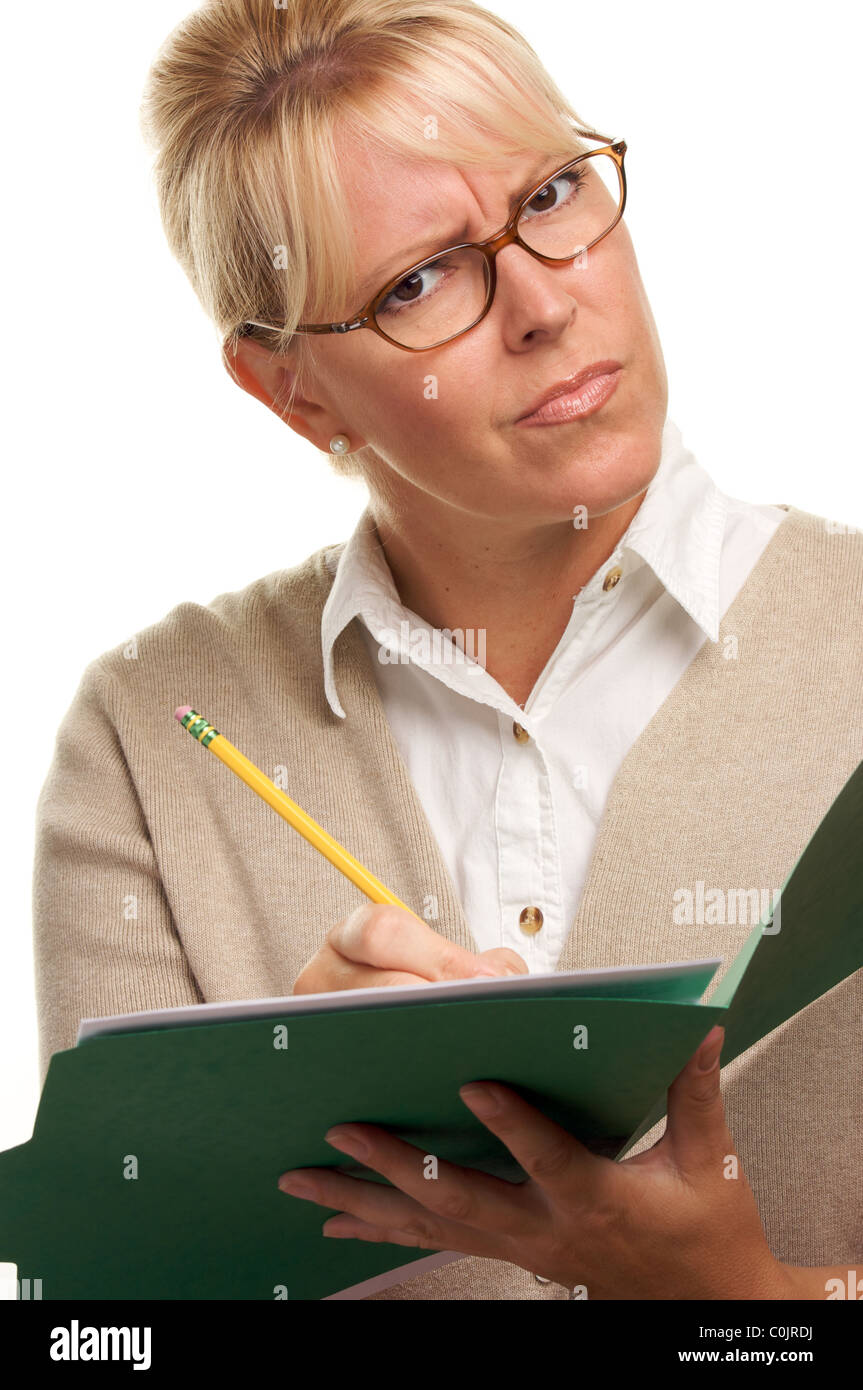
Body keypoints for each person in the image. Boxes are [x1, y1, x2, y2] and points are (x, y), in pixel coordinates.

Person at [33, 0, 861, 1300]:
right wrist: (259, 1139)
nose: (542, 301)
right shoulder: (151, 731)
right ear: (290, 389)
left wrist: (746, 1307)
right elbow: (104, 1328)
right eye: (420, 279)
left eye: (553, 193)